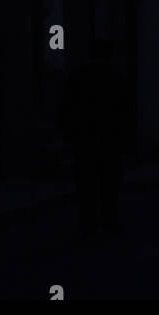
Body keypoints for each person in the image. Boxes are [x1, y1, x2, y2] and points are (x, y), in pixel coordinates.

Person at [60, 40, 125, 238]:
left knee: (86, 185)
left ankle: (87, 224)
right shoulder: (114, 77)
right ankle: (109, 221)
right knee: (109, 185)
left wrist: (70, 134)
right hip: (108, 140)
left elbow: (66, 107)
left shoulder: (77, 76)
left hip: (84, 139)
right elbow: (122, 109)